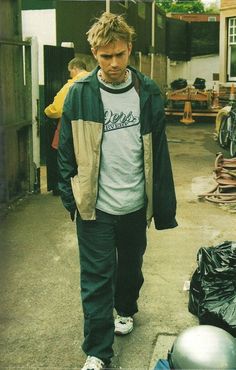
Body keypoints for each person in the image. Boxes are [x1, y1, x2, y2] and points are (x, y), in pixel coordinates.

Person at [57, 12, 177, 370]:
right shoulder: (78, 95)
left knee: (130, 270)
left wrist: (161, 201)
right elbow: (64, 153)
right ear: (94, 53)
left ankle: (125, 309)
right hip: (95, 208)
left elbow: (159, 151)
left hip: (136, 204)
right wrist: (73, 199)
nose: (113, 63)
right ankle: (97, 352)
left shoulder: (148, 91)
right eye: (105, 56)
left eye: (119, 55)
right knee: (96, 280)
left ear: (130, 51)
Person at [44, 58, 89, 195]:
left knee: (64, 156)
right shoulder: (96, 81)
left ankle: (64, 188)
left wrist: (46, 111)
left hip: (71, 126)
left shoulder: (71, 86)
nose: (70, 75)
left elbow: (57, 109)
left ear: (75, 68)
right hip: (92, 127)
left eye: (70, 71)